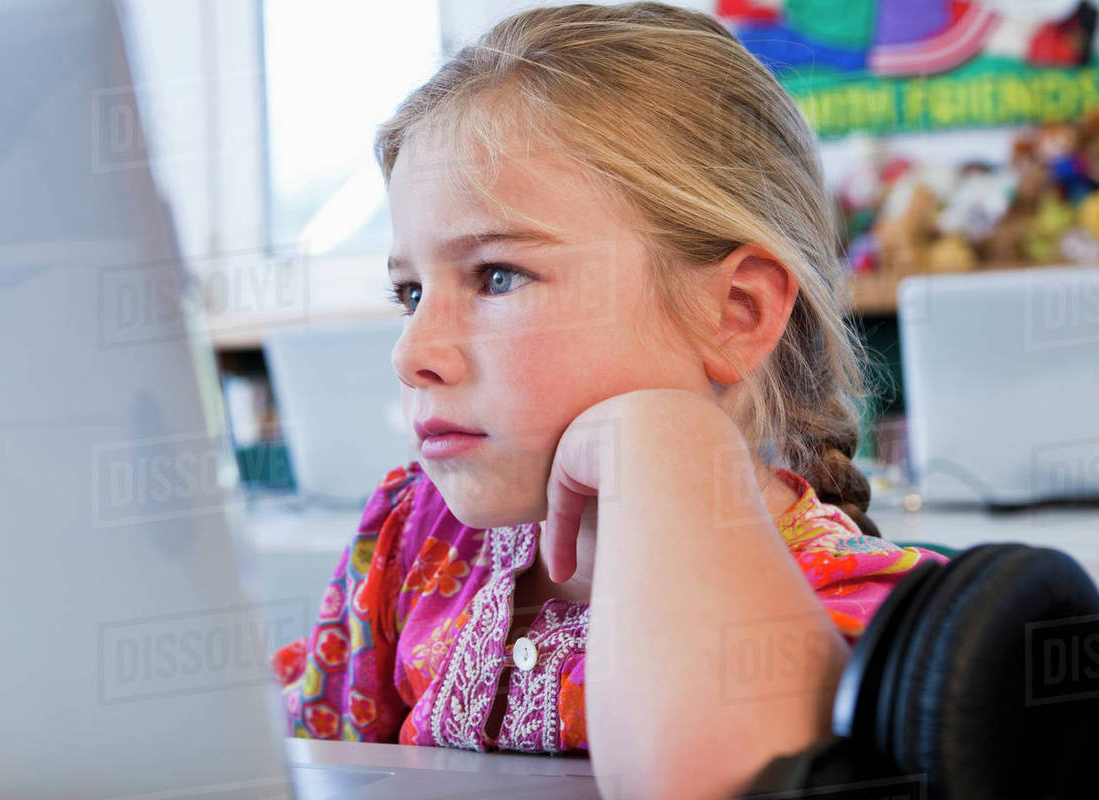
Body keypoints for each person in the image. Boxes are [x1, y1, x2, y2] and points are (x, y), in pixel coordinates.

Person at [271, 3, 949, 796]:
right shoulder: (414, 539)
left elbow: (709, 780)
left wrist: (664, 442)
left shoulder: (884, 617)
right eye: (409, 292)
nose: (412, 352)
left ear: (734, 315)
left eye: (497, 276)